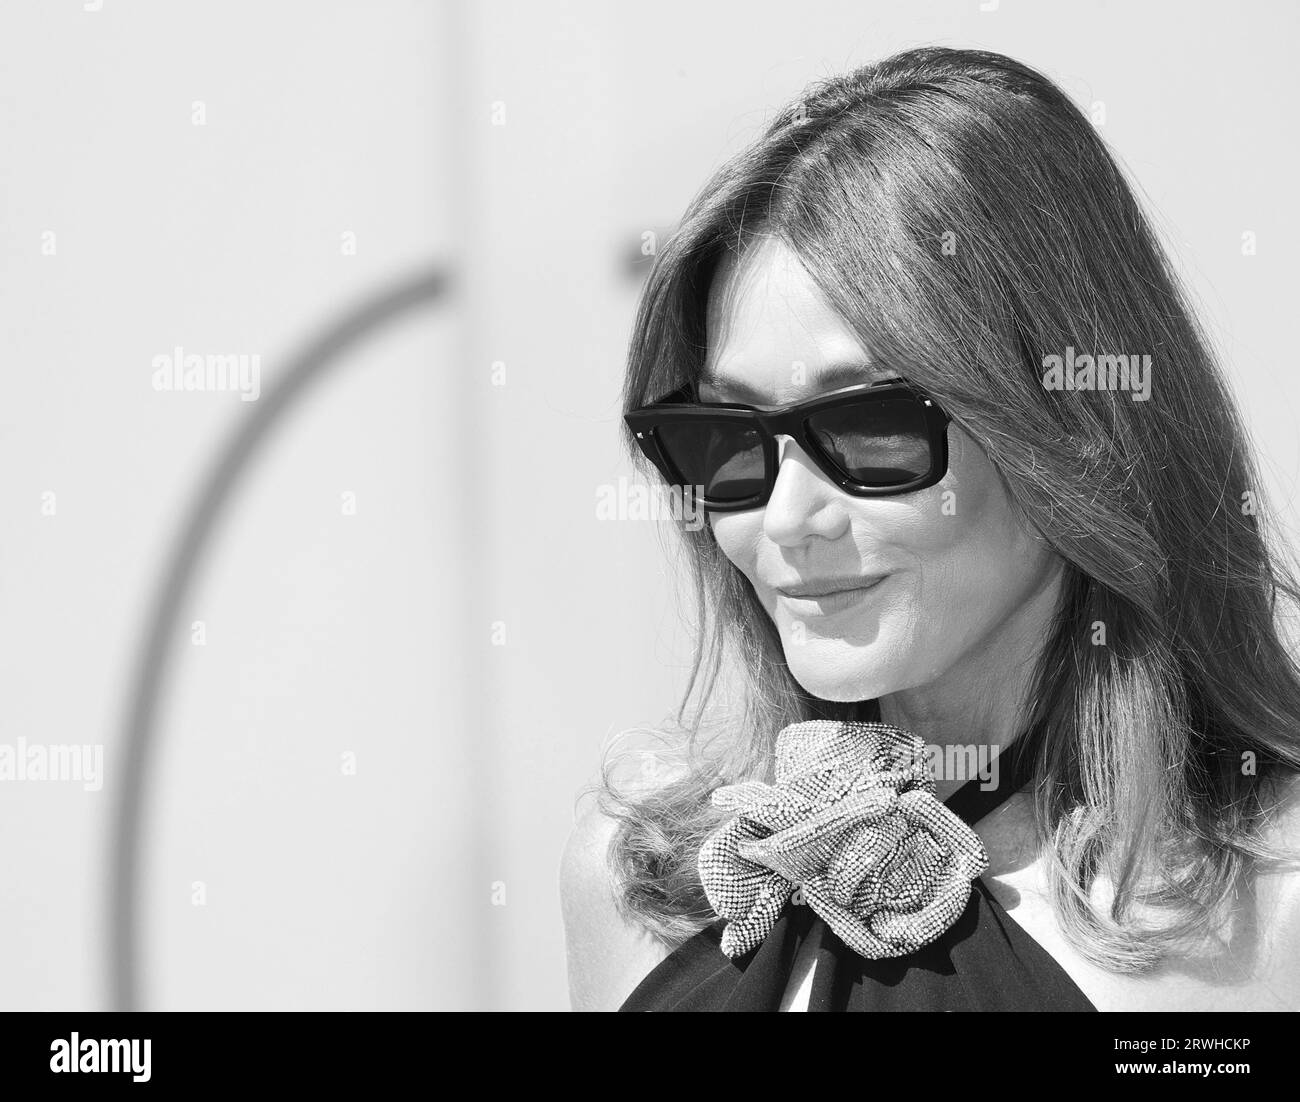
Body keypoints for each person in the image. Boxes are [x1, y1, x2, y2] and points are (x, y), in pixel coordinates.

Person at [560, 46, 1300, 1012]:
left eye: (868, 427)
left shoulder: (1271, 903)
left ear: (1068, 433)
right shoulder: (644, 884)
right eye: (725, 440)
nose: (785, 518)